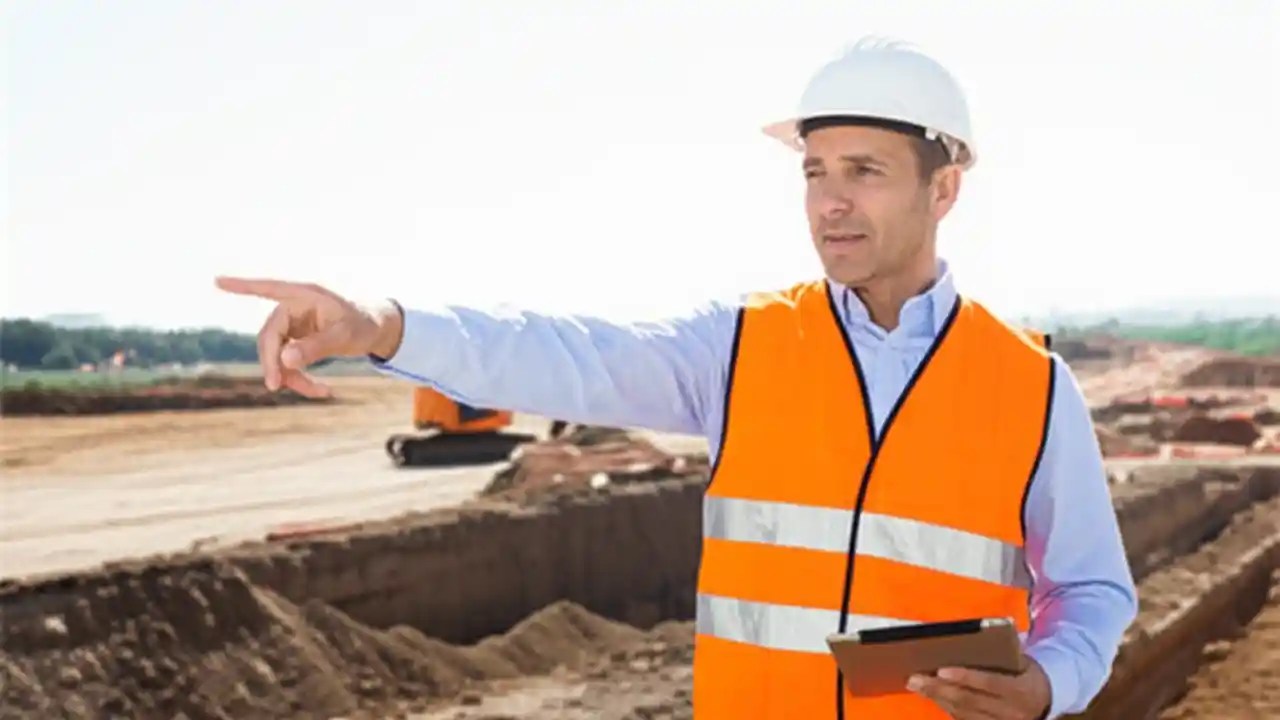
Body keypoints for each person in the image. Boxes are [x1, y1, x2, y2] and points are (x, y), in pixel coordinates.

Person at [217, 37, 1137, 720]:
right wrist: (380, 326)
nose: (830, 201)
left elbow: (1092, 589)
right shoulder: (741, 347)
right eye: (815, 172)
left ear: (944, 190)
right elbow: (563, 354)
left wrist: (1052, 683)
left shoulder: (1031, 385)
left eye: (866, 171)